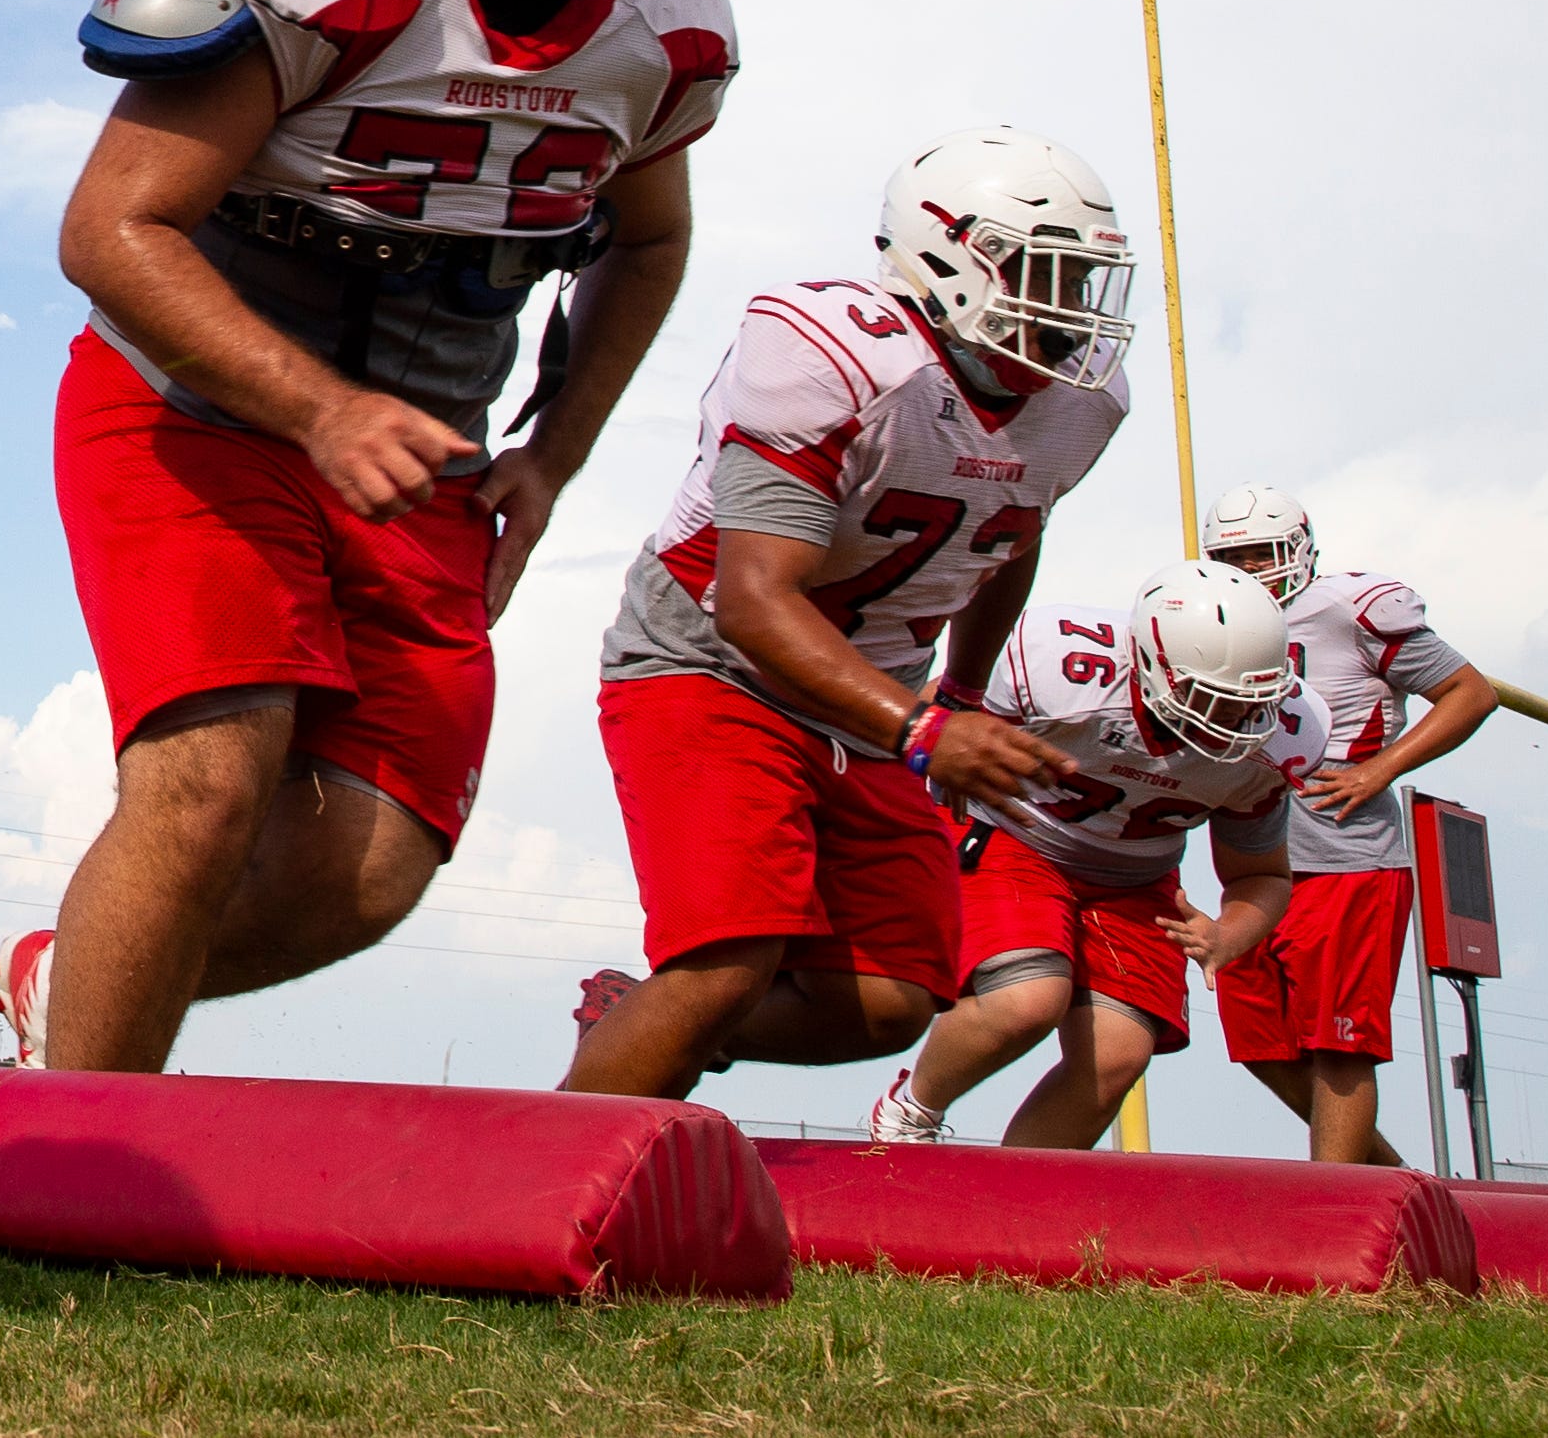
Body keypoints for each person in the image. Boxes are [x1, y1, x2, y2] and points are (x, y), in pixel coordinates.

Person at [0, 0, 733, 1072]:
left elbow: (649, 240)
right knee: (209, 780)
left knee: (376, 862)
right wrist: (320, 408)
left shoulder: (666, 26)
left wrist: (556, 457)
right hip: (194, 410)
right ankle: (71, 1152)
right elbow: (111, 228)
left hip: (424, 456)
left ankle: (70, 983)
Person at [562, 129, 1136, 1101]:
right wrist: (921, 729)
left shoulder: (1079, 404)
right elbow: (749, 599)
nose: (1066, 309)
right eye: (1041, 272)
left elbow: (1010, 528)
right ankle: (545, 1190)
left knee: (889, 998)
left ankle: (645, 1030)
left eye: (1078, 281)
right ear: (948, 257)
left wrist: (960, 689)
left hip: (870, 694)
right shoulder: (833, 356)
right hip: (712, 663)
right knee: (728, 958)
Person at [873, 561, 1310, 1148]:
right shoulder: (1059, 670)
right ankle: (912, 1110)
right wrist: (938, 747)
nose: (1233, 721)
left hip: (1136, 878)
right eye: (1211, 698)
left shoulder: (1276, 743)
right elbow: (938, 713)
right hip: (1015, 834)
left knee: (1117, 1058)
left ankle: (1012, 1208)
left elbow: (1260, 873)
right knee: (1025, 1000)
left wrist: (1230, 933)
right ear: (1153, 664)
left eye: (1248, 701)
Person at [1199, 483, 1499, 1163]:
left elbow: (1472, 693)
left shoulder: (1346, 610)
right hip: (1254, 865)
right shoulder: (1207, 617)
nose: (1248, 570)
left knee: (1340, 1045)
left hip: (1347, 860)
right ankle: (1391, 1185)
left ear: (1298, 549)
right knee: (1261, 1044)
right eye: (1232, 556)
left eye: (1260, 553)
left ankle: (1332, 1217)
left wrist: (1379, 768)